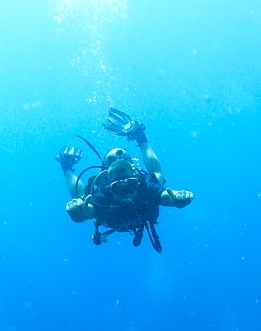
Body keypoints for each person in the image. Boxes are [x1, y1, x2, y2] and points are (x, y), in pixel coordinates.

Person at [56, 108, 194, 252]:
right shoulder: (102, 197)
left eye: (130, 184)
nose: (126, 192)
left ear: (136, 179)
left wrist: (177, 198)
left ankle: (140, 137)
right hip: (116, 214)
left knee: (158, 178)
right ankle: (66, 166)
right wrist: (77, 211)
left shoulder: (145, 187)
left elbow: (167, 195)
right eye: (119, 187)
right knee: (82, 197)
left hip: (122, 216)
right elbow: (85, 212)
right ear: (109, 185)